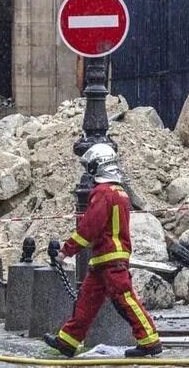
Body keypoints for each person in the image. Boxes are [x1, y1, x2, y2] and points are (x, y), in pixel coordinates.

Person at [43, 142, 163, 359]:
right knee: (86, 301)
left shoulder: (102, 192)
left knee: (125, 299)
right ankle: (67, 341)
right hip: (106, 259)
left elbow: (90, 227)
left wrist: (65, 251)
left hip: (110, 258)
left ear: (98, 166)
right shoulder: (120, 191)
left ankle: (149, 340)